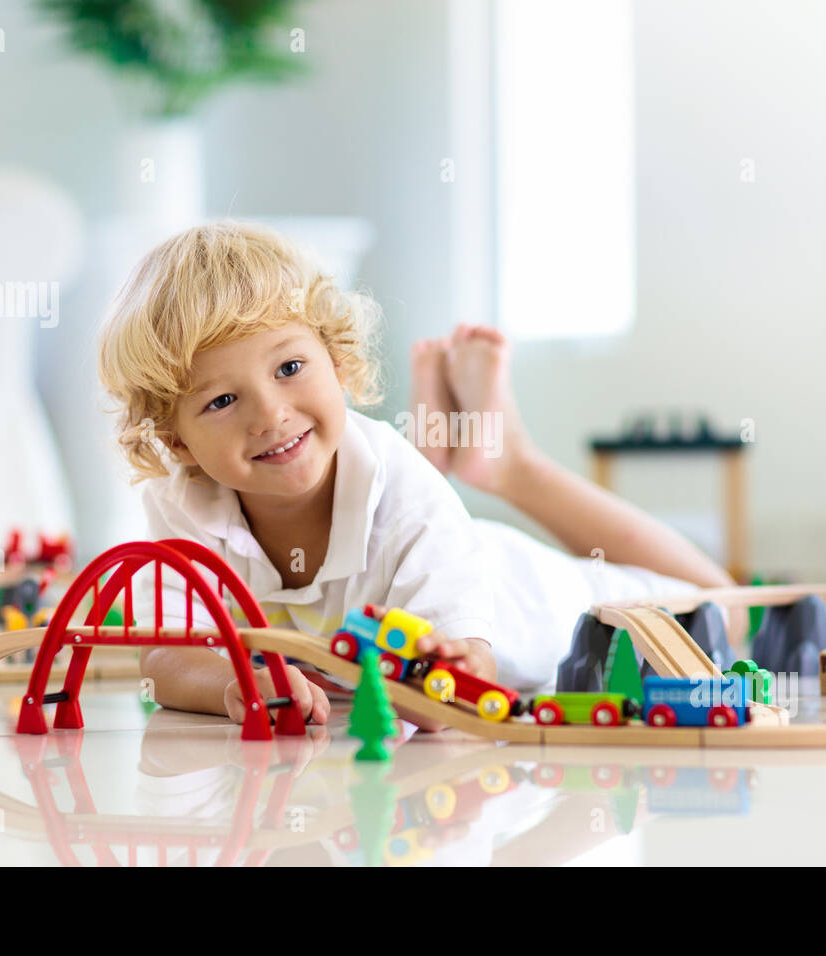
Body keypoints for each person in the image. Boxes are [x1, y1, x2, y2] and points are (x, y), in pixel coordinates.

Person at [97, 220, 735, 732]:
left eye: (289, 368)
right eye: (222, 402)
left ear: (339, 364)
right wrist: (232, 684)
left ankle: (509, 462)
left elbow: (464, 666)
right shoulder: (180, 506)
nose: (270, 414)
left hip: (521, 589)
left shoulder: (397, 485)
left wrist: (446, 676)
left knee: (721, 605)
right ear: (177, 441)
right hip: (440, 543)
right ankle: (480, 456)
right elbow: (166, 657)